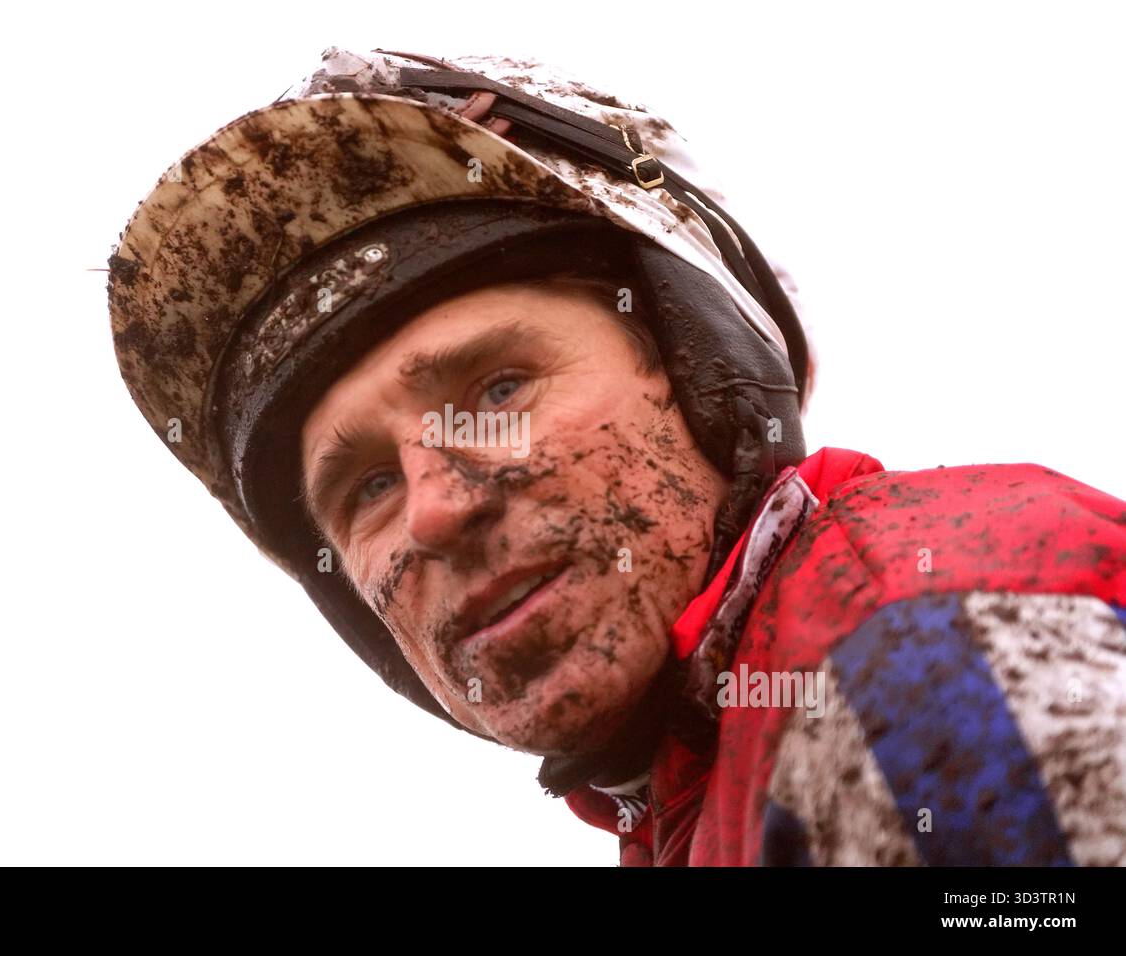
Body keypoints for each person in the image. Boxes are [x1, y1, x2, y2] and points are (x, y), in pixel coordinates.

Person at [107, 47, 1126, 865]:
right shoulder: (723, 775)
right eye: (366, 483)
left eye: (497, 390)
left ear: (694, 370)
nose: (431, 509)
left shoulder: (907, 663)